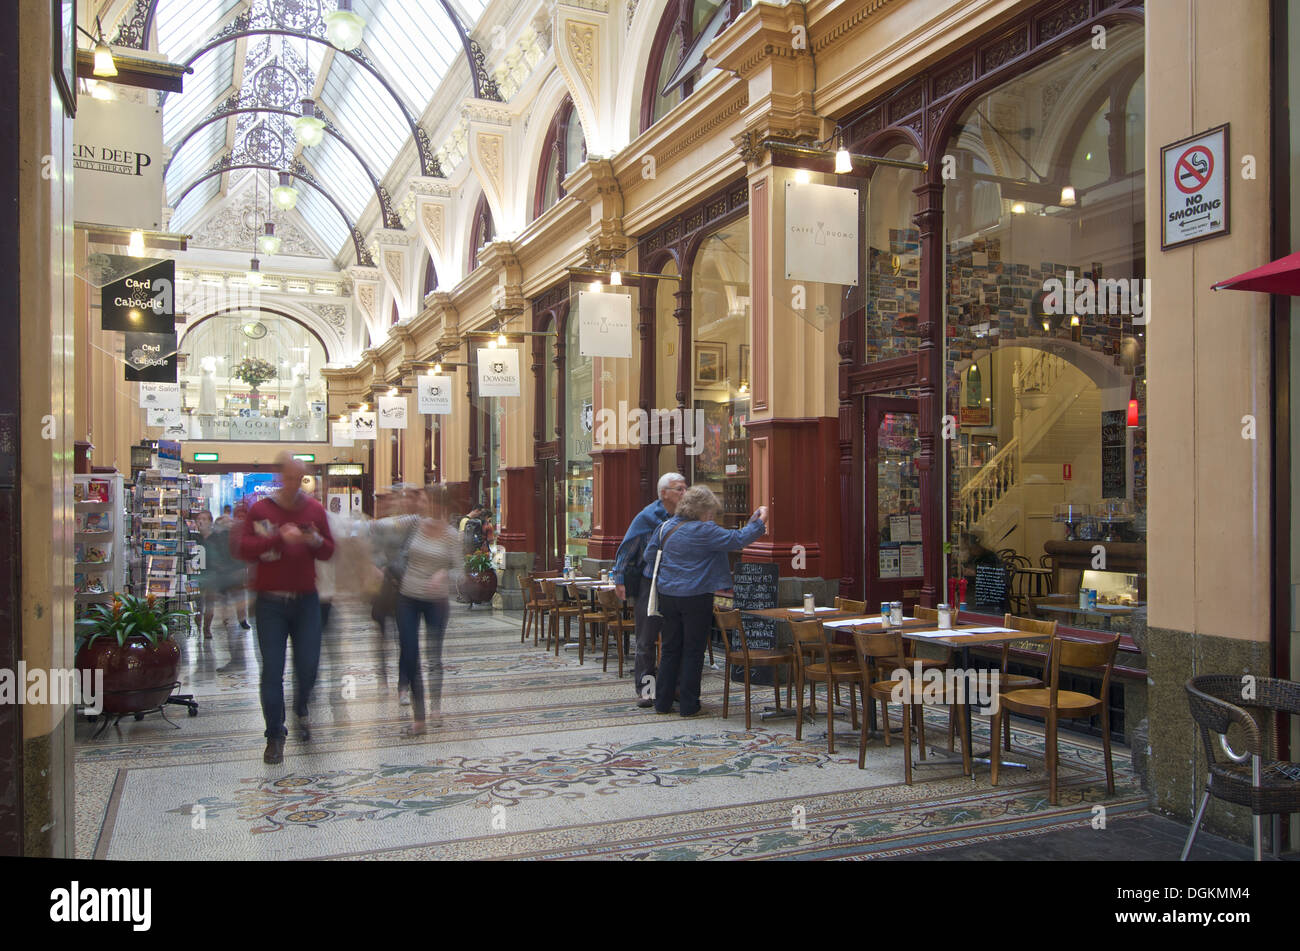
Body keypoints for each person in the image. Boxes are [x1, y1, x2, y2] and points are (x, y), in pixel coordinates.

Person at [232, 453, 335, 765]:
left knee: (308, 666)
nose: (294, 484)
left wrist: (315, 538)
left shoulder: (314, 509)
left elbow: (330, 552)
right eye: (289, 477)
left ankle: (302, 707)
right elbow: (242, 548)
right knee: (272, 670)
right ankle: (274, 735)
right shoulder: (260, 509)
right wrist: (278, 537)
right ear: (279, 476)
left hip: (305, 600)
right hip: (270, 603)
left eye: (299, 478)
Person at [642, 486, 768, 718]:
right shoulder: (705, 531)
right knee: (693, 650)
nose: (711, 516)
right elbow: (737, 539)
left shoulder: (665, 527)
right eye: (710, 511)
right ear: (701, 510)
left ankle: (662, 702)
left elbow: (649, 555)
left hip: (668, 596)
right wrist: (759, 522)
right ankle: (689, 704)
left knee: (670, 649)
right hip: (696, 595)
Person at [612, 472, 686, 708]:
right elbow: (627, 549)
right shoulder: (648, 517)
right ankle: (647, 691)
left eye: (686, 488)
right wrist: (619, 579)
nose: (684, 493)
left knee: (675, 639)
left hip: (677, 584)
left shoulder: (687, 516)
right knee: (646, 638)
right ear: (664, 493)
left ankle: (671, 688)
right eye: (679, 489)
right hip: (650, 584)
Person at [394, 486, 460, 735]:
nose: (419, 505)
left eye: (424, 500)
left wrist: (444, 573)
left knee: (434, 656)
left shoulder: (452, 535)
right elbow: (381, 532)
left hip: (436, 600)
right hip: (407, 595)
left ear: (437, 504)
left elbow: (460, 572)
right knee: (410, 653)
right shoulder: (412, 525)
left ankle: (436, 706)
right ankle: (419, 716)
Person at [195, 509, 248, 638]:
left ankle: (206, 629)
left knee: (209, 603)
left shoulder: (217, 537)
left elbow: (226, 553)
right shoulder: (193, 537)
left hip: (213, 575)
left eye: (205, 519)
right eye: (199, 519)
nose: (201, 521)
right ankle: (198, 625)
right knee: (198, 604)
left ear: (210, 522)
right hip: (196, 575)